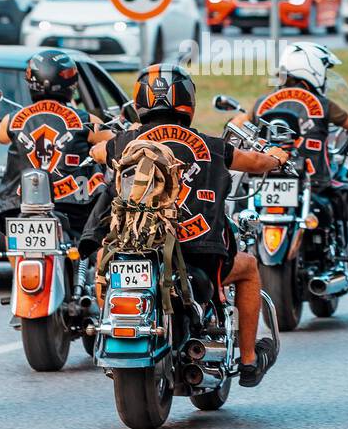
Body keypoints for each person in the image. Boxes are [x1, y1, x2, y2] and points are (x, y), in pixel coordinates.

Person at [82, 63, 289, 386]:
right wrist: (277, 156)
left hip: (138, 248)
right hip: (200, 253)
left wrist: (103, 146)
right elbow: (257, 162)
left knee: (103, 263)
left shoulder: (124, 144)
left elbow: (97, 150)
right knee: (248, 266)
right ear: (187, 101)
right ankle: (248, 360)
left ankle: (110, 324)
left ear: (141, 102)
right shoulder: (213, 146)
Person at [243, 42, 348, 282]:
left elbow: (240, 123)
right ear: (312, 68)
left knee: (239, 210)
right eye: (324, 68)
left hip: (265, 179)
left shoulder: (263, 102)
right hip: (313, 181)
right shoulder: (320, 103)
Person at [0, 50, 112, 238]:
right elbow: (112, 142)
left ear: (31, 82)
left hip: (21, 200)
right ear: (71, 84)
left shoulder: (14, 119)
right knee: (99, 233)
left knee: (12, 235)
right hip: (72, 203)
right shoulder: (84, 119)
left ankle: (17, 267)